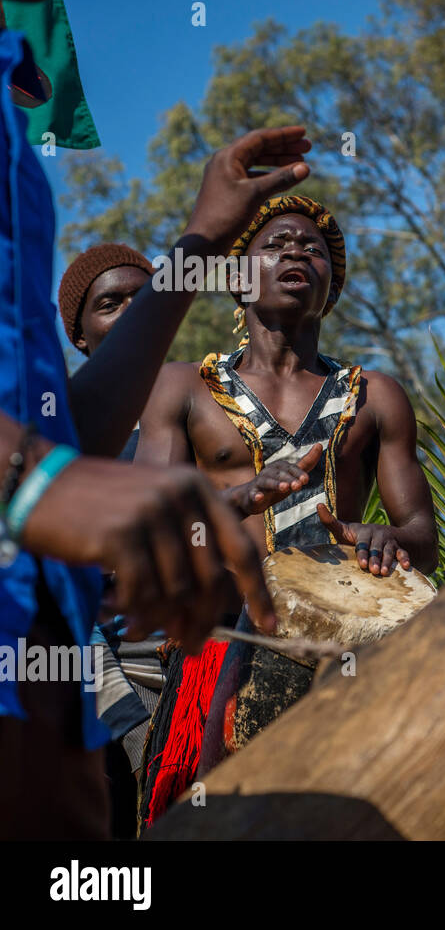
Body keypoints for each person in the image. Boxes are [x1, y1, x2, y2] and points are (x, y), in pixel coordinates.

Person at [0, 0, 309, 840]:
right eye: (111, 305)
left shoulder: (19, 91)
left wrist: (198, 243)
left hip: (44, 705)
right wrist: (34, 481)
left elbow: (67, 433)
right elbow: (46, 464)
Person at [133, 195, 437, 829]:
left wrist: (385, 537)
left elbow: (426, 541)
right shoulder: (182, 386)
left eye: (314, 247)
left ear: (333, 282)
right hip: (221, 648)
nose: (298, 251)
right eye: (277, 244)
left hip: (347, 656)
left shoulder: (375, 395)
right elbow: (147, 531)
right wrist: (237, 500)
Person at [56, 243, 163, 836]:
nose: (129, 312)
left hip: (202, 655)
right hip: (104, 671)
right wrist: (115, 702)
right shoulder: (62, 429)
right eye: (110, 303)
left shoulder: (208, 404)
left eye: (144, 299)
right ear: (80, 335)